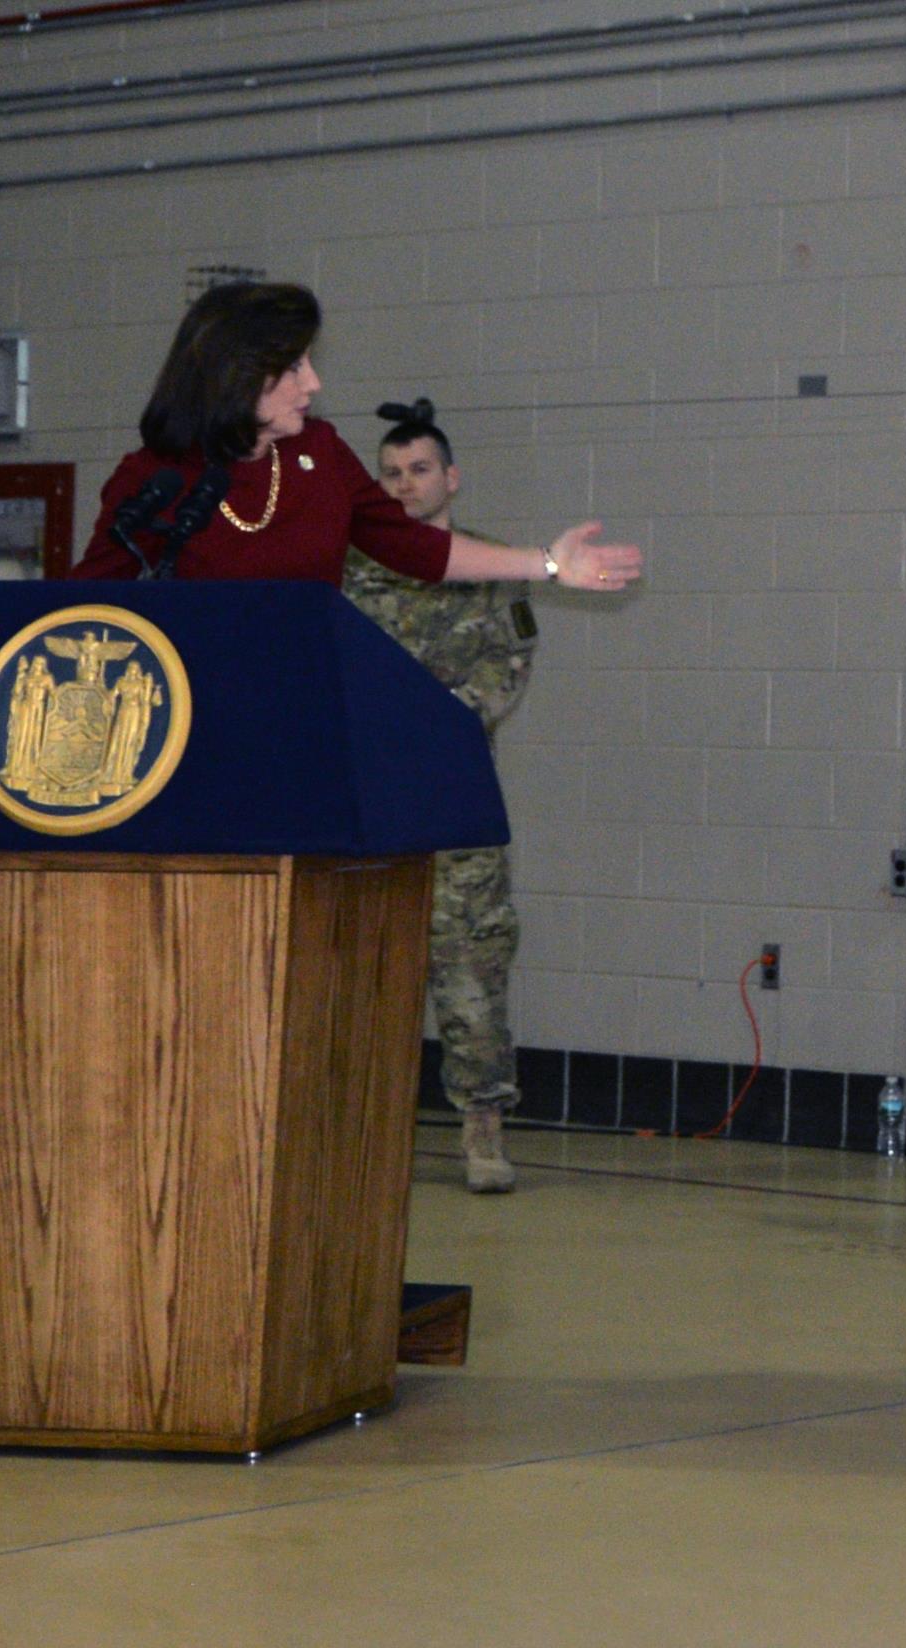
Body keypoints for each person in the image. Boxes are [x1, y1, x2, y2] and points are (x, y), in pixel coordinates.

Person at [77, 280, 638, 595]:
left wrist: (546, 563)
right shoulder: (155, 478)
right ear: (239, 374)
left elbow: (415, 547)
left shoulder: (318, 453)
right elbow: (88, 603)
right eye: (294, 367)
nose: (313, 383)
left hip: (304, 714)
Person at [344, 398, 543, 1194]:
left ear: (451, 478)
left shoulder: (490, 566)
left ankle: (483, 1131)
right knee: (357, 971)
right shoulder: (346, 569)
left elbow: (508, 668)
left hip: (453, 796)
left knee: (471, 969)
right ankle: (354, 1129)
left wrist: (440, 721)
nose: (404, 487)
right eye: (390, 474)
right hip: (361, 804)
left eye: (419, 471)